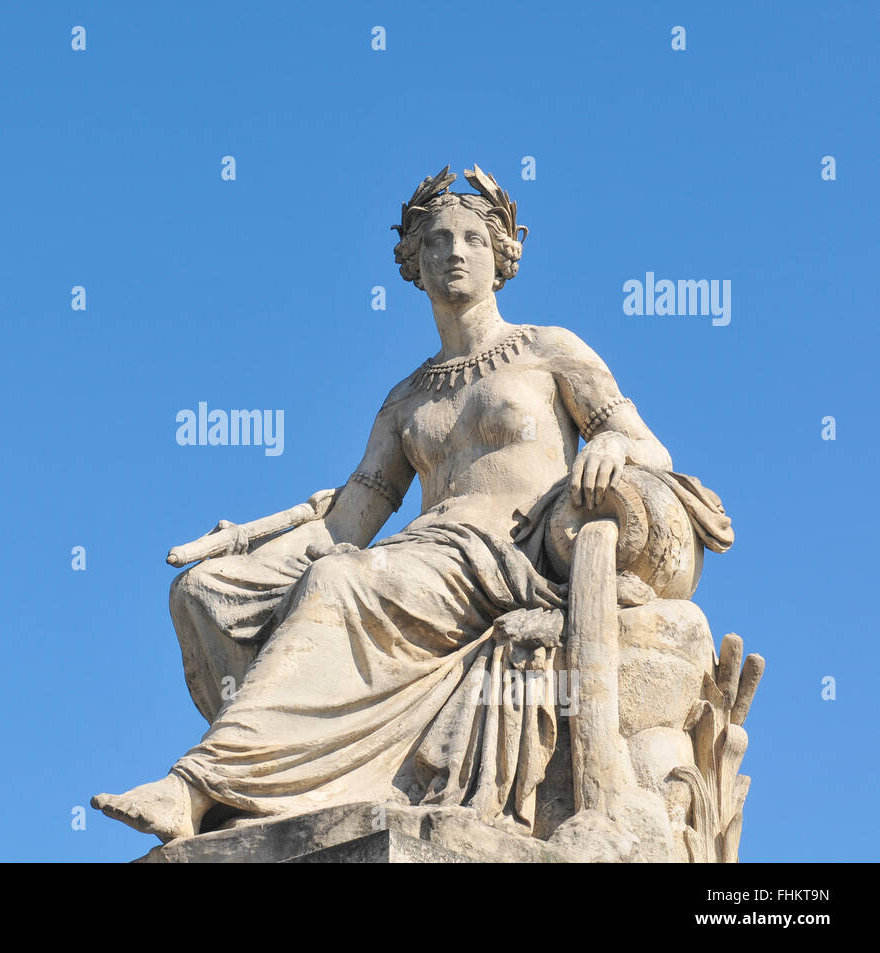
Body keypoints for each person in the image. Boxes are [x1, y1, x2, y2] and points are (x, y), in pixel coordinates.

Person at [92, 165, 677, 842]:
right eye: (436, 241)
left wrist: (615, 450)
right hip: (416, 561)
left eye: (472, 240)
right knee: (205, 590)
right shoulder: (405, 400)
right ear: (413, 263)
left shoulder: (550, 350)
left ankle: (196, 784)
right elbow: (346, 525)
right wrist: (246, 554)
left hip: (504, 566)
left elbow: (649, 446)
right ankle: (275, 787)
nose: (454, 252)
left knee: (338, 579)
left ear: (502, 256)